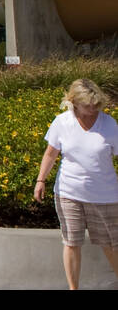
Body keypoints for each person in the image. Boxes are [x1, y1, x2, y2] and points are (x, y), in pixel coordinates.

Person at [35, 78, 118, 289]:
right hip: (68, 192)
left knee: (111, 244)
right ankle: (74, 288)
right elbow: (51, 153)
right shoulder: (62, 122)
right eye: (87, 104)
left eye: (95, 104)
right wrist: (41, 180)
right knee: (71, 243)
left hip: (105, 195)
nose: (92, 108)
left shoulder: (109, 124)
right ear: (73, 101)